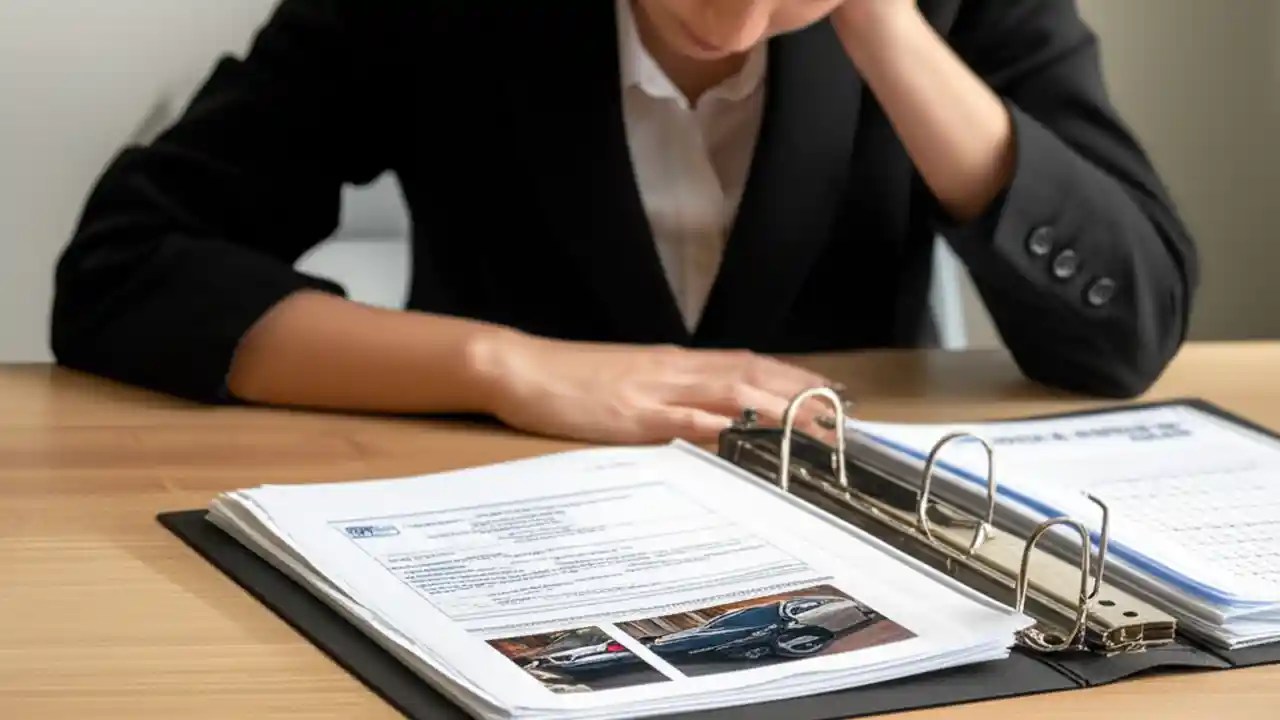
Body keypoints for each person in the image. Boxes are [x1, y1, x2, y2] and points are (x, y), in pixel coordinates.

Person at [50, 0, 1197, 444]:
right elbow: (127, 265)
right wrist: (502, 366)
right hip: (485, 523)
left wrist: (886, 26)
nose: (738, 13)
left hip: (841, 527)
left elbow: (1125, 325)